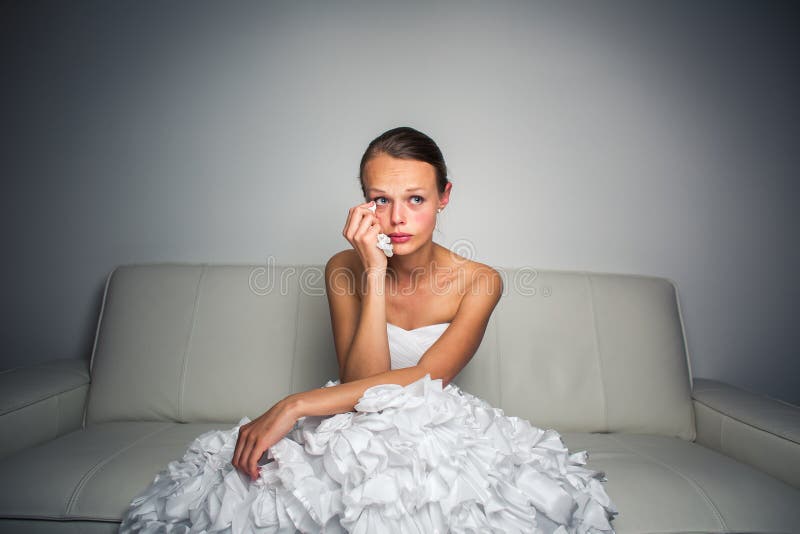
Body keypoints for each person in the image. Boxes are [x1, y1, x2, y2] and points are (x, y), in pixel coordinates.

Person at [119, 126, 617, 533]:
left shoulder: (481, 281)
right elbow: (362, 381)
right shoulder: (343, 266)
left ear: (445, 197)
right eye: (380, 200)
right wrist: (374, 271)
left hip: (432, 423)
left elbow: (427, 380)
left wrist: (294, 403)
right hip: (350, 420)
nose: (397, 218)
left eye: (416, 198)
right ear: (363, 203)